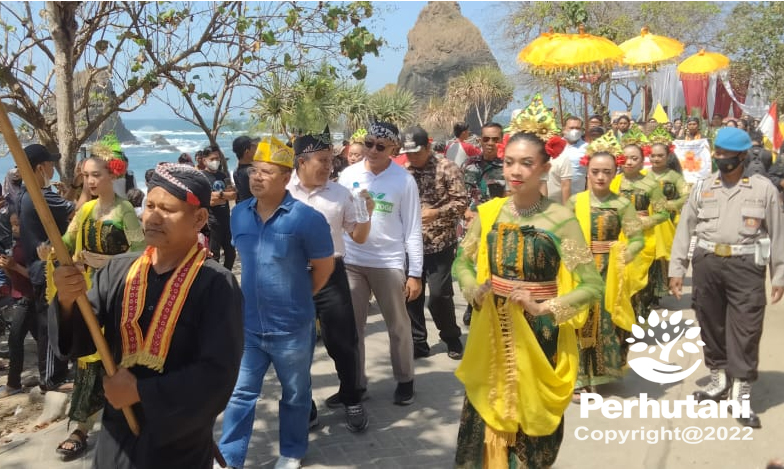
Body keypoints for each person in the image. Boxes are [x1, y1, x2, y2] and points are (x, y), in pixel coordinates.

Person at [49, 163, 244, 467]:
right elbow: (82, 343)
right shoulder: (117, 270)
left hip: (178, 440)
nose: (153, 216)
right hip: (116, 436)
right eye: (150, 205)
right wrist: (66, 301)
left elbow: (218, 374)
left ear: (199, 219)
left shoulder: (217, 283)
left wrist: (141, 391)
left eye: (167, 209)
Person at [452, 125, 603, 468]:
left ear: (545, 168)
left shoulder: (561, 219)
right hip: (491, 332)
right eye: (509, 162)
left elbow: (591, 285)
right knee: (484, 419)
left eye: (526, 163)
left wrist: (544, 306)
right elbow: (462, 261)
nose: (515, 171)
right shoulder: (490, 213)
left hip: (541, 337)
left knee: (534, 428)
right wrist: (473, 289)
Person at [219, 139, 334, 469]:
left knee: (296, 393)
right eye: (254, 170)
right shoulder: (239, 214)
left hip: (293, 329)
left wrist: (297, 297)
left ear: (286, 178)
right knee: (241, 394)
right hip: (249, 327)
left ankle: (292, 451)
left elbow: (324, 267)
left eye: (266, 171)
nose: (256, 177)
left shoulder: (306, 219)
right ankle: (229, 458)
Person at [669, 127, 784, 429]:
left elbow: (777, 233)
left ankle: (741, 391)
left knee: (746, 328)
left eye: (726, 155)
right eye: (717, 153)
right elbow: (685, 226)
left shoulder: (763, 189)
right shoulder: (704, 186)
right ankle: (719, 379)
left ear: (743, 156)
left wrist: (779, 275)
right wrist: (677, 268)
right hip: (707, 261)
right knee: (710, 322)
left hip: (747, 263)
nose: (720, 159)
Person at [50, 141, 146, 460]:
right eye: (87, 176)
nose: (91, 181)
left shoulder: (125, 211)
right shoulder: (87, 209)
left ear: (113, 175)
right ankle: (79, 426)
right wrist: (49, 249)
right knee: (87, 360)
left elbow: (142, 255)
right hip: (88, 296)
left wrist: (104, 262)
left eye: (97, 175)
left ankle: (123, 418)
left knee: (115, 358)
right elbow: (65, 240)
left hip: (118, 297)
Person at [286, 127, 373, 433]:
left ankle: (351, 397)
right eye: (322, 160)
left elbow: (358, 238)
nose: (328, 167)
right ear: (301, 162)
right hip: (293, 277)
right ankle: (305, 407)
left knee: (342, 342)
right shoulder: (283, 192)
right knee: (296, 347)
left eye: (330, 161)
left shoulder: (340, 194)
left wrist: (367, 215)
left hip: (333, 274)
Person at [338, 120, 423, 406]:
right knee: (353, 327)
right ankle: (356, 384)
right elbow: (338, 220)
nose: (372, 150)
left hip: (388, 263)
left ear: (394, 149)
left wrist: (415, 273)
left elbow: (412, 228)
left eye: (380, 146)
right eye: (368, 143)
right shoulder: (348, 175)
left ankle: (405, 379)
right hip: (352, 260)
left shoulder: (404, 181)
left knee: (398, 326)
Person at [568, 150, 644, 399]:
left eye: (607, 172)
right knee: (579, 321)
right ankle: (579, 377)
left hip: (610, 272)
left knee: (605, 321)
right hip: (580, 270)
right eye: (595, 171)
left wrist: (622, 253)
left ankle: (600, 373)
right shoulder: (574, 202)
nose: (601, 177)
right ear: (587, 171)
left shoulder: (622, 204)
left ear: (615, 173)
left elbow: (637, 239)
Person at [400, 126, 468, 360]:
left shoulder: (447, 168)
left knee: (439, 295)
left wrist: (436, 213)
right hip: (411, 243)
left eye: (417, 152)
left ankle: (450, 337)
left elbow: (461, 202)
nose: (412, 158)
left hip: (440, 242)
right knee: (411, 295)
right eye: (408, 153)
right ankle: (418, 342)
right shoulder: (403, 171)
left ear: (428, 147)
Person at [19, 144, 74, 391]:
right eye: (50, 164)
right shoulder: (40, 195)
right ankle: (51, 379)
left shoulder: (26, 193)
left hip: (39, 268)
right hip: (46, 270)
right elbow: (78, 211)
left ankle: (53, 374)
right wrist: (82, 186)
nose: (53, 168)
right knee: (50, 325)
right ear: (40, 168)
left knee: (51, 323)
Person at [611, 139, 673, 316]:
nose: (629, 162)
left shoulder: (651, 184)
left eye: (634, 158)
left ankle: (637, 320)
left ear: (641, 160)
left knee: (641, 284)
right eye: (625, 158)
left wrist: (644, 222)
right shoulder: (613, 182)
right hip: (619, 237)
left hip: (644, 238)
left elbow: (663, 214)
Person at [461, 122, 506, 326]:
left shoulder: (507, 166)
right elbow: (460, 194)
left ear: (501, 140)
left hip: (496, 226)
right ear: (480, 140)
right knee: (471, 266)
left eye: (495, 139)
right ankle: (472, 302)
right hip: (471, 225)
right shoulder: (470, 164)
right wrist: (466, 212)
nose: (490, 143)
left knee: (491, 267)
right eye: (486, 139)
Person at [0, 211, 36, 399]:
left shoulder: (32, 246)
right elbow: (14, 274)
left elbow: (36, 275)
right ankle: (54, 375)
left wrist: (14, 267)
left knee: (15, 340)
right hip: (19, 296)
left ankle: (13, 383)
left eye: (18, 225)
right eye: (12, 224)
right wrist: (7, 267)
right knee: (43, 338)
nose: (15, 228)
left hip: (27, 298)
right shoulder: (16, 245)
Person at [201, 145, 237, 270]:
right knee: (214, 256)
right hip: (212, 222)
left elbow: (233, 195)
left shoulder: (222, 175)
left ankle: (226, 277)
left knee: (231, 254)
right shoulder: (202, 177)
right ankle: (214, 281)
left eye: (217, 158)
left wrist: (220, 195)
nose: (215, 161)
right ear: (204, 160)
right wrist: (224, 195)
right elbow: (210, 201)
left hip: (226, 220)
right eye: (212, 158)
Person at [562, 116, 589, 195]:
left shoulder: (587, 148)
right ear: (564, 129)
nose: (575, 131)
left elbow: (590, 175)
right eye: (571, 128)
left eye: (577, 128)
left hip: (577, 196)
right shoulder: (554, 145)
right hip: (556, 196)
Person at [232, 136, 257, 203]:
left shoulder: (236, 171)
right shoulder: (251, 172)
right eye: (254, 148)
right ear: (247, 152)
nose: (257, 150)